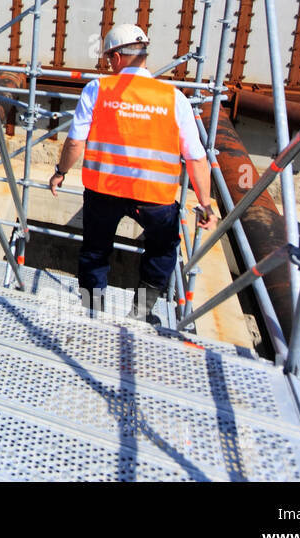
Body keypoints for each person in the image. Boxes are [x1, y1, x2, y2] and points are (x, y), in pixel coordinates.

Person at [48, 24, 217, 323]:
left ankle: (92, 311)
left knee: (95, 251)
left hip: (103, 193)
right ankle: (140, 314)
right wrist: (205, 203)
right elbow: (196, 157)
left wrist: (60, 172)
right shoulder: (173, 97)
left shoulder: (98, 89)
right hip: (155, 199)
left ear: (115, 58)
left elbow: (76, 141)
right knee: (161, 252)